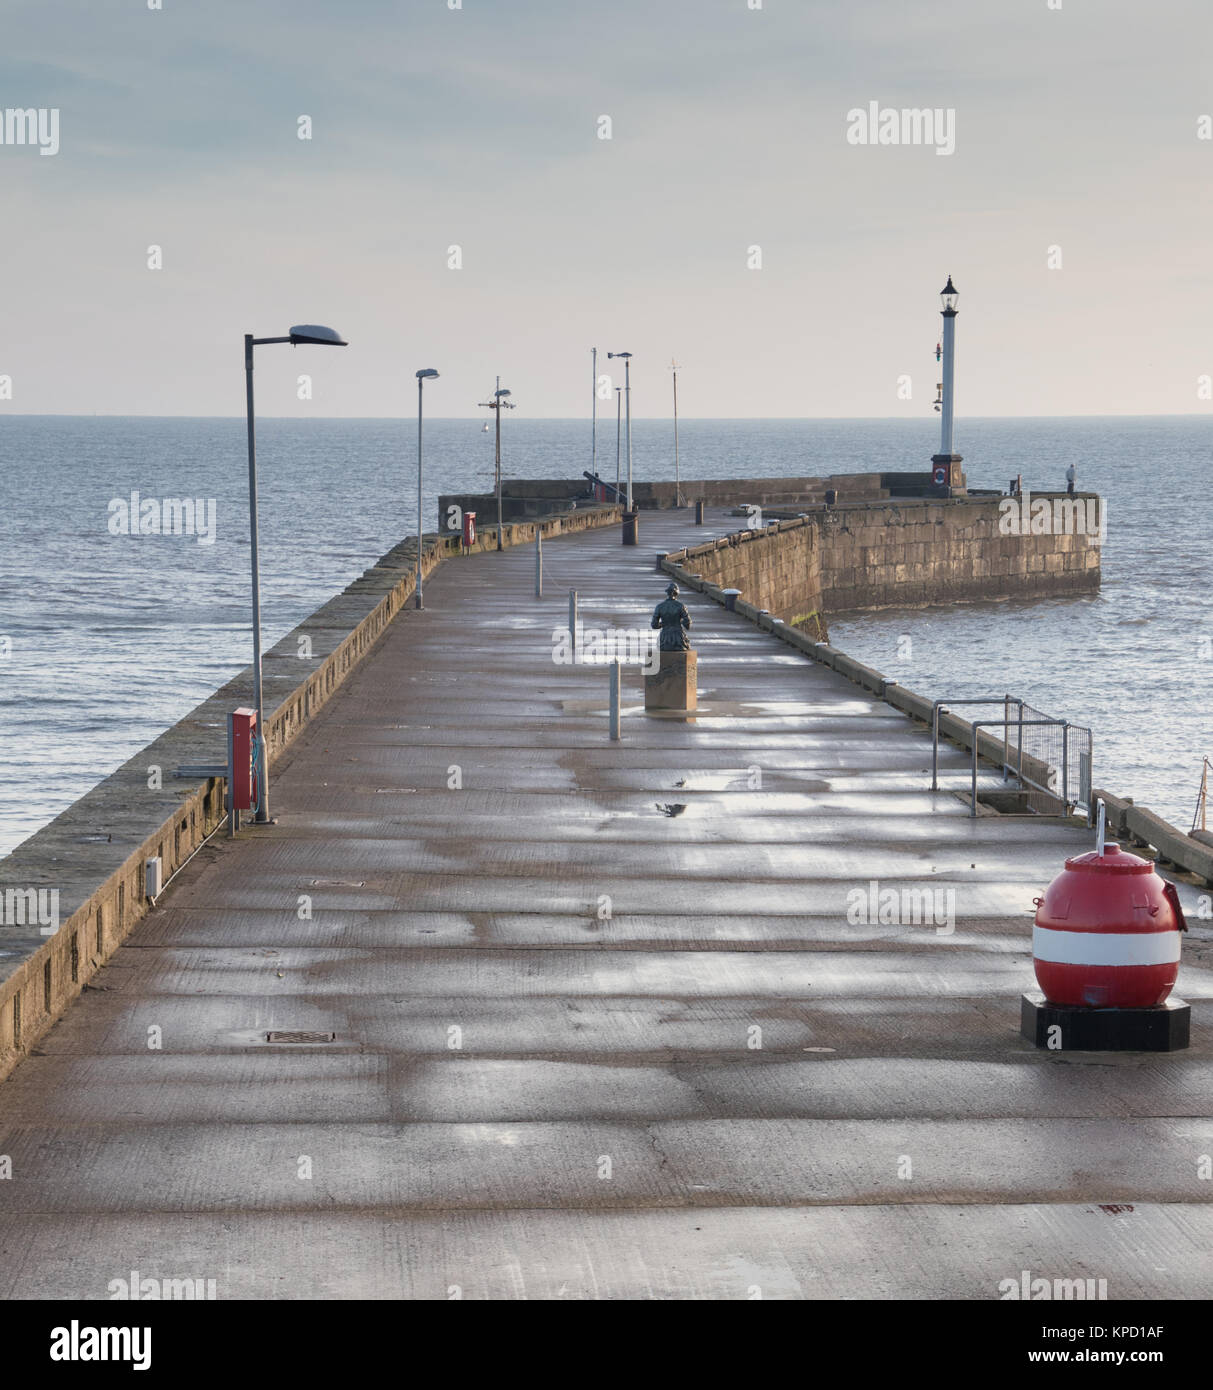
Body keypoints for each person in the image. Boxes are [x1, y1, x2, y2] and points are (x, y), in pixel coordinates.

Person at [651, 581, 692, 651]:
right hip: (678, 639)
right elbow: (688, 624)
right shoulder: (681, 606)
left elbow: (654, 625)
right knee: (686, 646)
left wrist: (663, 624)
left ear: (667, 593)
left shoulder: (659, 606)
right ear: (676, 593)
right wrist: (680, 621)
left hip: (664, 639)